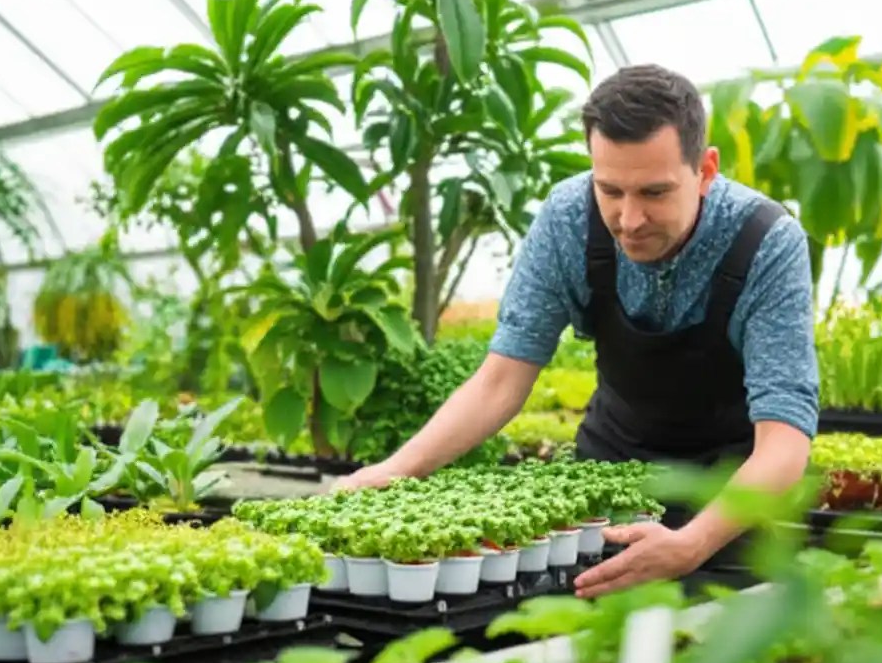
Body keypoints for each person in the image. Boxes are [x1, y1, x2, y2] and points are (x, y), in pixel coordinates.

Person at [333, 63, 819, 598]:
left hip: (728, 498)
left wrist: (690, 544)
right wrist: (395, 471)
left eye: (654, 193)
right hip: (605, 487)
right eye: (610, 189)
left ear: (704, 171)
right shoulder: (568, 217)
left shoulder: (765, 242)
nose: (629, 219)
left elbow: (783, 444)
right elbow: (501, 380)